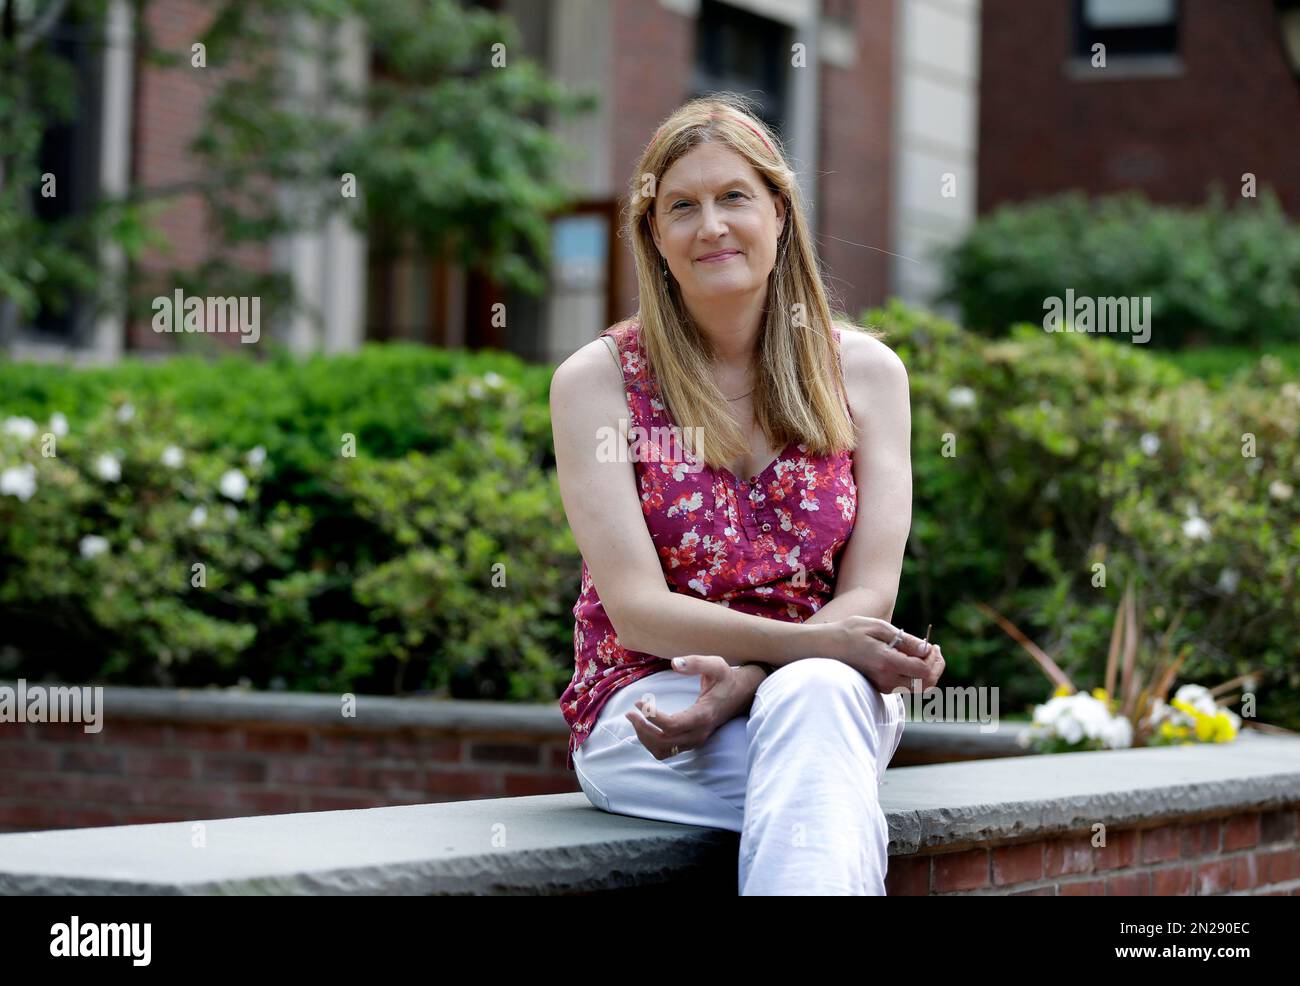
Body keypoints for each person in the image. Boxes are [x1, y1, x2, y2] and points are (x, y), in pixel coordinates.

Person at [549, 92, 945, 895]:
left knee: (818, 700)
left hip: (823, 689)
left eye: (735, 197)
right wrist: (778, 667)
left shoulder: (867, 374)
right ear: (654, 237)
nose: (712, 225)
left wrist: (757, 678)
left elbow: (869, 589)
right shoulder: (597, 383)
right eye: (682, 207)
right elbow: (636, 611)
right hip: (656, 708)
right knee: (824, 767)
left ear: (780, 213)